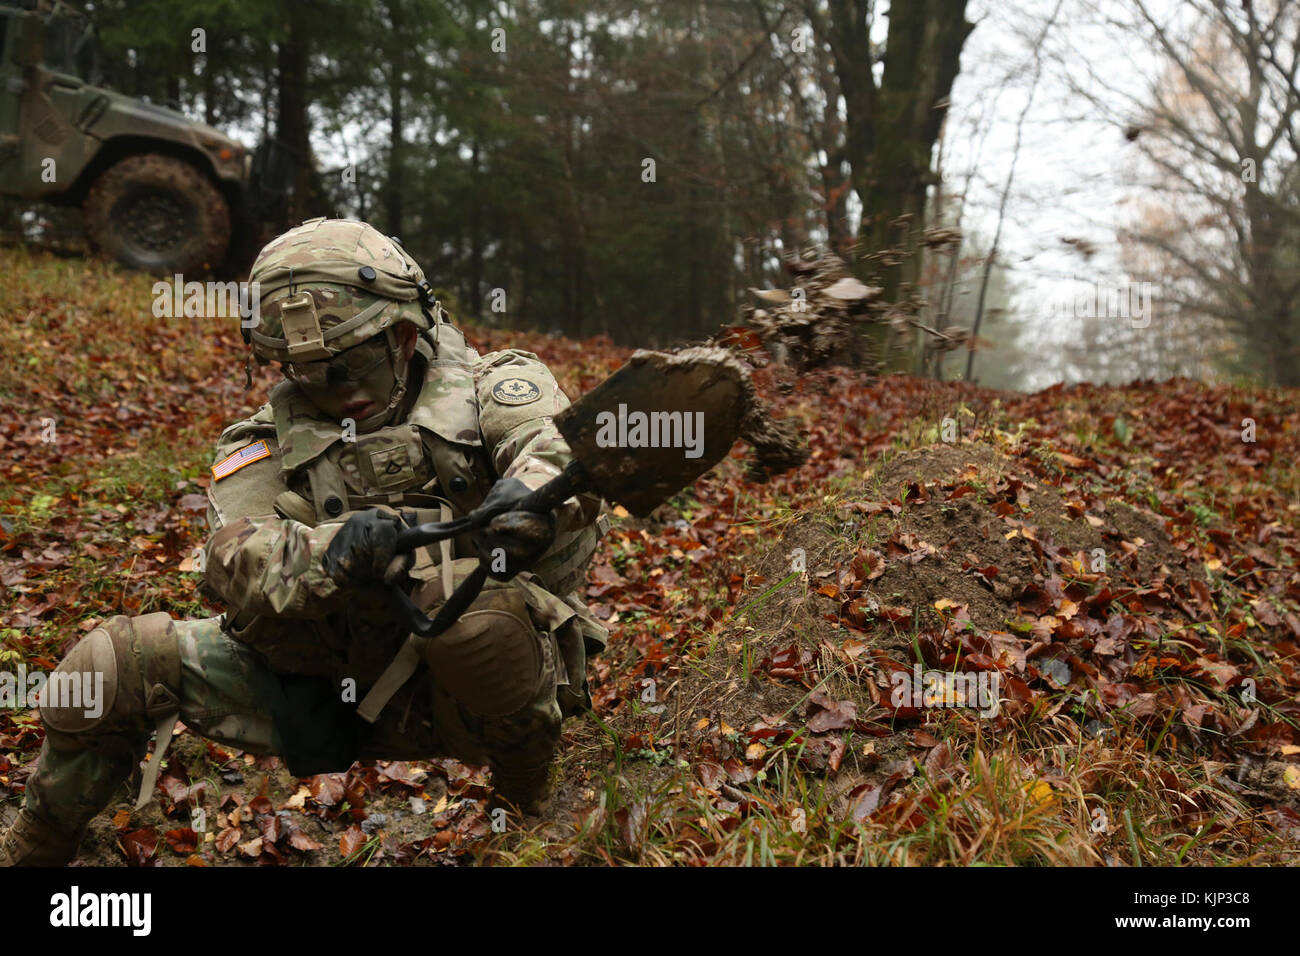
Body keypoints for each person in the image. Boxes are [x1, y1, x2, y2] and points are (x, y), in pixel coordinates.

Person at [0, 217, 609, 866]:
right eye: (297, 370)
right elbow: (233, 559)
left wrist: (529, 495)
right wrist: (338, 550)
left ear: (403, 337)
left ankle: (529, 809)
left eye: (343, 369)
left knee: (476, 618)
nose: (321, 390)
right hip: (319, 682)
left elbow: (563, 450)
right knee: (108, 666)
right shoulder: (261, 442)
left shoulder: (494, 385)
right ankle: (38, 845)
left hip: (471, 685)